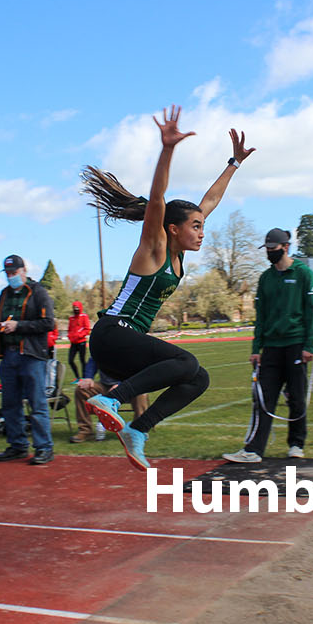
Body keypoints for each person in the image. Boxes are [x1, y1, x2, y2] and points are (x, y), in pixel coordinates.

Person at [80, 105, 252, 471]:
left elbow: (210, 201)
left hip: (126, 347)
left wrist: (233, 164)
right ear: (172, 227)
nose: (201, 233)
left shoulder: (177, 252)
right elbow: (158, 200)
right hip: (112, 334)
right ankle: (112, 400)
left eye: (202, 227)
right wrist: (168, 148)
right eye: (195, 227)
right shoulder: (154, 247)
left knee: (198, 377)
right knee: (185, 361)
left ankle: (137, 431)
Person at [222, 228, 313, 463]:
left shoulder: (304, 274)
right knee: (263, 399)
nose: (269, 253)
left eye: (272, 249)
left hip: (296, 345)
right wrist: (256, 349)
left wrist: (310, 345)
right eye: (266, 249)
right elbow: (261, 317)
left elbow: (312, 312)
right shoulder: (266, 278)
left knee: (296, 398)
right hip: (271, 348)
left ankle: (296, 445)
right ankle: (254, 449)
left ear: (285, 247)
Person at [0, 255, 59, 465]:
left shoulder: (38, 292)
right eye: (8, 273)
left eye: (14, 272)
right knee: (10, 403)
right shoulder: (4, 294)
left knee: (36, 403)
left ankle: (44, 447)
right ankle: (18, 445)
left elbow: (48, 323)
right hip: (9, 354)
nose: (11, 277)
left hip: (31, 355)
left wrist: (19, 326)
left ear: (24, 270)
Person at [67, 301, 92, 380]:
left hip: (81, 342)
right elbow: (70, 329)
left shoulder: (84, 316)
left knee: (82, 360)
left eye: (77, 307)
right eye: (74, 308)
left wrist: (79, 335)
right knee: (70, 360)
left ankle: (84, 377)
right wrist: (70, 336)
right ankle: (77, 377)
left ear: (80, 308)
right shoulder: (71, 318)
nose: (76, 309)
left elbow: (87, 329)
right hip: (73, 343)